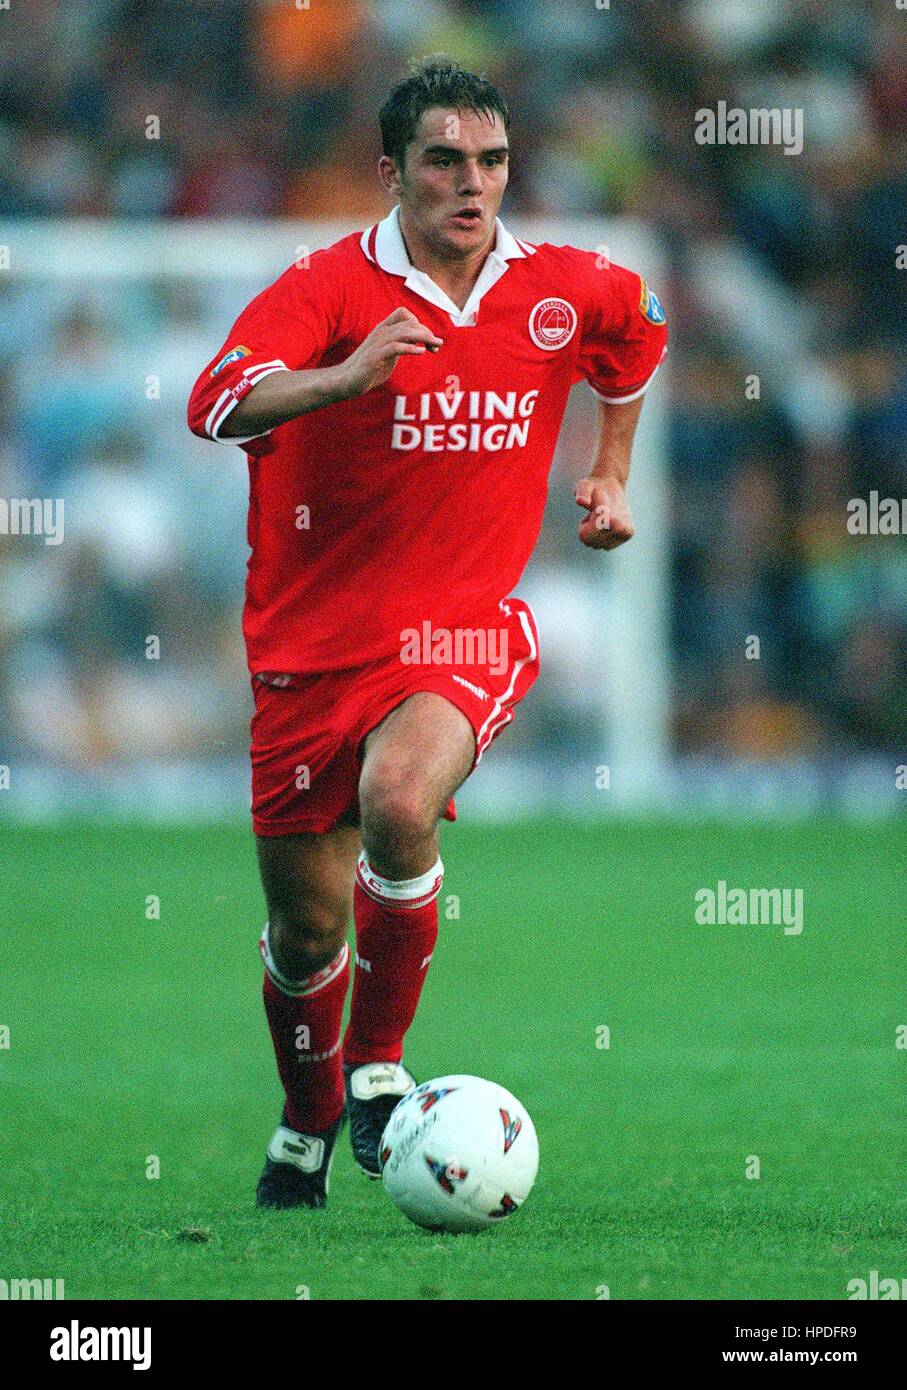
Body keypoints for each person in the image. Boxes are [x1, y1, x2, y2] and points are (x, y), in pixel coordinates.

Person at [187, 57, 667, 1209]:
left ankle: (377, 1066)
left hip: (462, 630)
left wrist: (608, 475)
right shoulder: (323, 291)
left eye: (492, 161)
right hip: (309, 648)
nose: (473, 183)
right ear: (391, 170)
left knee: (400, 804)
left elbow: (636, 331)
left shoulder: (560, 286)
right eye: (445, 160)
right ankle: (306, 1123)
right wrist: (343, 378)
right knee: (304, 936)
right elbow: (212, 401)